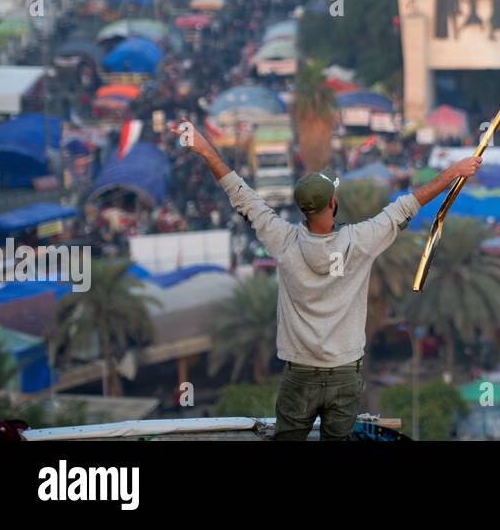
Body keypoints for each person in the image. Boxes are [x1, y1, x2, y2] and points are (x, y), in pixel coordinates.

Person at [174, 121, 481, 440]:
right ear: (332, 204)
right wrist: (455, 172)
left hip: (299, 375)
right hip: (345, 375)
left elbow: (239, 192)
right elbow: (411, 203)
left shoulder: (282, 240)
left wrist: (204, 149)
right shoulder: (360, 241)